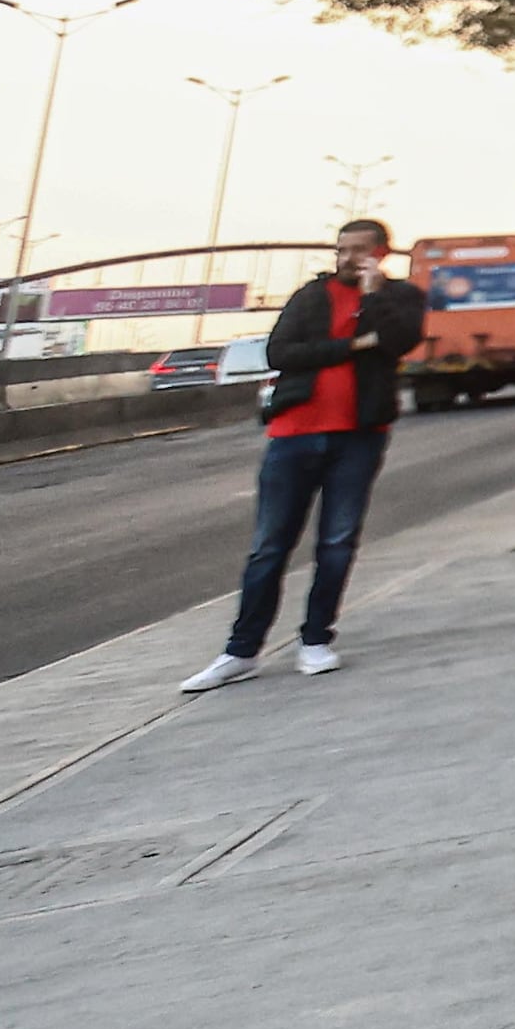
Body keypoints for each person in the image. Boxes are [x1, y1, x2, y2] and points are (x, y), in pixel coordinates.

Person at [179, 216, 423, 693]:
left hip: (359, 435)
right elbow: (281, 352)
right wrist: (354, 345)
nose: (348, 258)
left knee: (336, 542)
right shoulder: (311, 297)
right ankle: (240, 651)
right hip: (294, 434)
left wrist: (373, 300)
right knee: (269, 546)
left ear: (381, 253)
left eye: (359, 249)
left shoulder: (401, 298)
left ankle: (315, 640)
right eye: (342, 249)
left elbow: (398, 343)